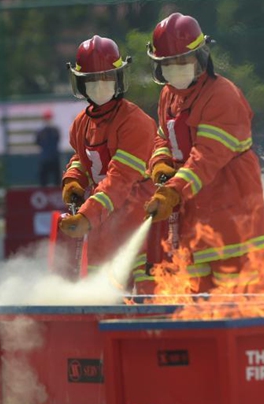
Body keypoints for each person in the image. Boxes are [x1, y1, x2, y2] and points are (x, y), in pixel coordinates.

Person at [143, 12, 264, 294]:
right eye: (167, 64)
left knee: (239, 301)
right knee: (196, 298)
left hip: (233, 213)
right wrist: (161, 164)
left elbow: (207, 157)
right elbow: (163, 138)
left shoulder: (223, 95)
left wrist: (174, 190)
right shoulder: (169, 95)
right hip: (194, 213)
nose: (175, 69)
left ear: (200, 57)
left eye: (181, 61)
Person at [57, 35, 156, 292]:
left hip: (137, 221)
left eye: (106, 78)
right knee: (101, 299)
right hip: (102, 226)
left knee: (147, 303)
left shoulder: (136, 122)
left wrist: (87, 216)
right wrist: (73, 180)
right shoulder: (81, 123)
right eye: (91, 80)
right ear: (81, 83)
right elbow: (82, 158)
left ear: (118, 79)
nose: (99, 86)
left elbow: (120, 179)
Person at [37, 109, 61, 187]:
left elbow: (57, 140)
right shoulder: (41, 131)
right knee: (43, 180)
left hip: (54, 157)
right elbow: (38, 142)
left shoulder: (55, 130)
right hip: (45, 157)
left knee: (56, 179)